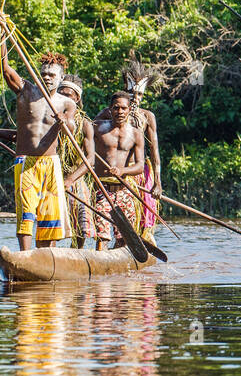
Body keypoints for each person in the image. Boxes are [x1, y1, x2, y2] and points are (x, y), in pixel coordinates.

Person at [0, 44, 77, 251]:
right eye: (44, 73)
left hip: (51, 163)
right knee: (26, 211)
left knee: (50, 214)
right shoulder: (25, 90)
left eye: (52, 75)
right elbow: (4, 69)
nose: (47, 77)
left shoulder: (66, 103)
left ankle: (48, 256)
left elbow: (71, 128)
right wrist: (2, 36)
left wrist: (63, 120)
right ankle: (25, 255)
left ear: (61, 77)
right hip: (26, 161)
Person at [95, 57, 164, 243]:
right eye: (132, 93)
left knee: (139, 218)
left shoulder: (147, 117)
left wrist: (157, 183)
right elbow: (89, 136)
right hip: (111, 175)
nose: (135, 98)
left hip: (138, 173)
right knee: (105, 215)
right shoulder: (109, 113)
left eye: (139, 95)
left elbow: (154, 152)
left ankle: (137, 245)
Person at [92, 91, 147, 250]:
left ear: (129, 109)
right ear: (110, 109)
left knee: (123, 237)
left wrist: (122, 170)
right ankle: (100, 260)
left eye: (123, 108)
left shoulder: (136, 134)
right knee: (102, 235)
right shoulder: (98, 128)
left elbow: (139, 166)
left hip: (124, 190)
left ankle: (118, 264)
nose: (120, 112)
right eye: (116, 108)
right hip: (102, 189)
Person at [57, 75, 96, 250]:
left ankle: (77, 252)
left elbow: (91, 158)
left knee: (81, 223)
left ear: (77, 98)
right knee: (50, 222)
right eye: (61, 93)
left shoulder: (85, 124)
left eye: (69, 95)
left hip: (75, 177)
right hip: (53, 175)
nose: (64, 98)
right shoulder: (49, 118)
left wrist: (70, 180)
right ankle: (50, 254)